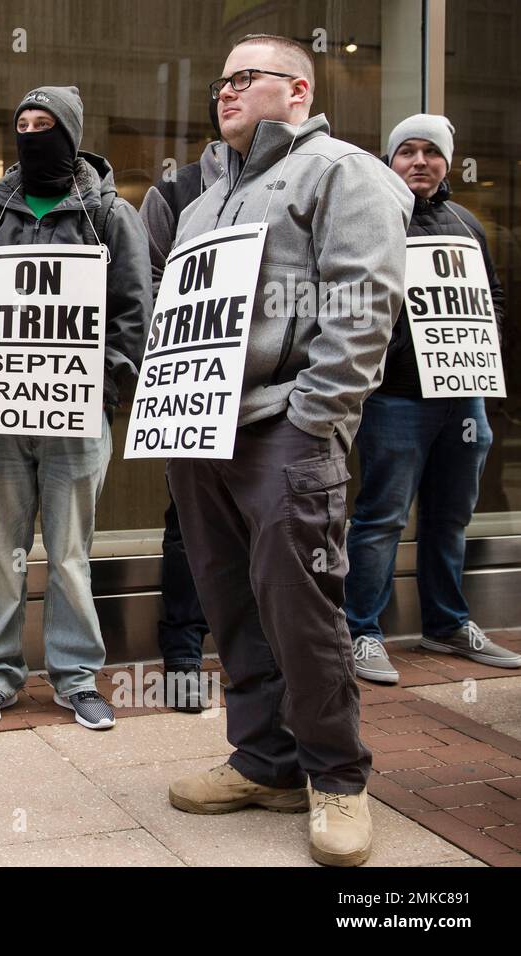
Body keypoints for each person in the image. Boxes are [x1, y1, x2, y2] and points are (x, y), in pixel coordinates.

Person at [163, 35, 412, 866]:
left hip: (284, 428)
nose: (225, 91)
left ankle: (336, 776)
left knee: (301, 609)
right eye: (221, 79)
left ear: (297, 89)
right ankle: (265, 762)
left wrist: (315, 417)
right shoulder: (203, 201)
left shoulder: (343, 171)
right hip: (200, 432)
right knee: (231, 602)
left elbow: (364, 300)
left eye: (245, 78)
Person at [0, 86, 150, 732]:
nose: (30, 133)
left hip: (77, 420)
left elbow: (135, 314)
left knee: (68, 552)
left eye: (44, 124)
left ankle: (76, 676)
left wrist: (105, 385)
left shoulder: (110, 217)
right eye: (21, 124)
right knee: (1, 553)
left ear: (72, 134)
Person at [345, 114, 518, 683]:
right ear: (389, 160)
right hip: (395, 398)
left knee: (451, 516)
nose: (419, 161)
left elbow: (489, 293)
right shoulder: (374, 217)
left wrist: (481, 348)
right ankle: (362, 632)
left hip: (464, 396)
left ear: (446, 161)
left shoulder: (467, 222)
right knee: (381, 518)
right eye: (407, 152)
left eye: (430, 152)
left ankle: (446, 625)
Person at [137, 100, 221, 712]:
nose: (234, 97)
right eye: (227, 88)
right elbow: (144, 286)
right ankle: (185, 653)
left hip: (281, 393)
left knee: (278, 529)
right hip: (195, 381)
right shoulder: (176, 191)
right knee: (189, 526)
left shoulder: (315, 181)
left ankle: (271, 655)